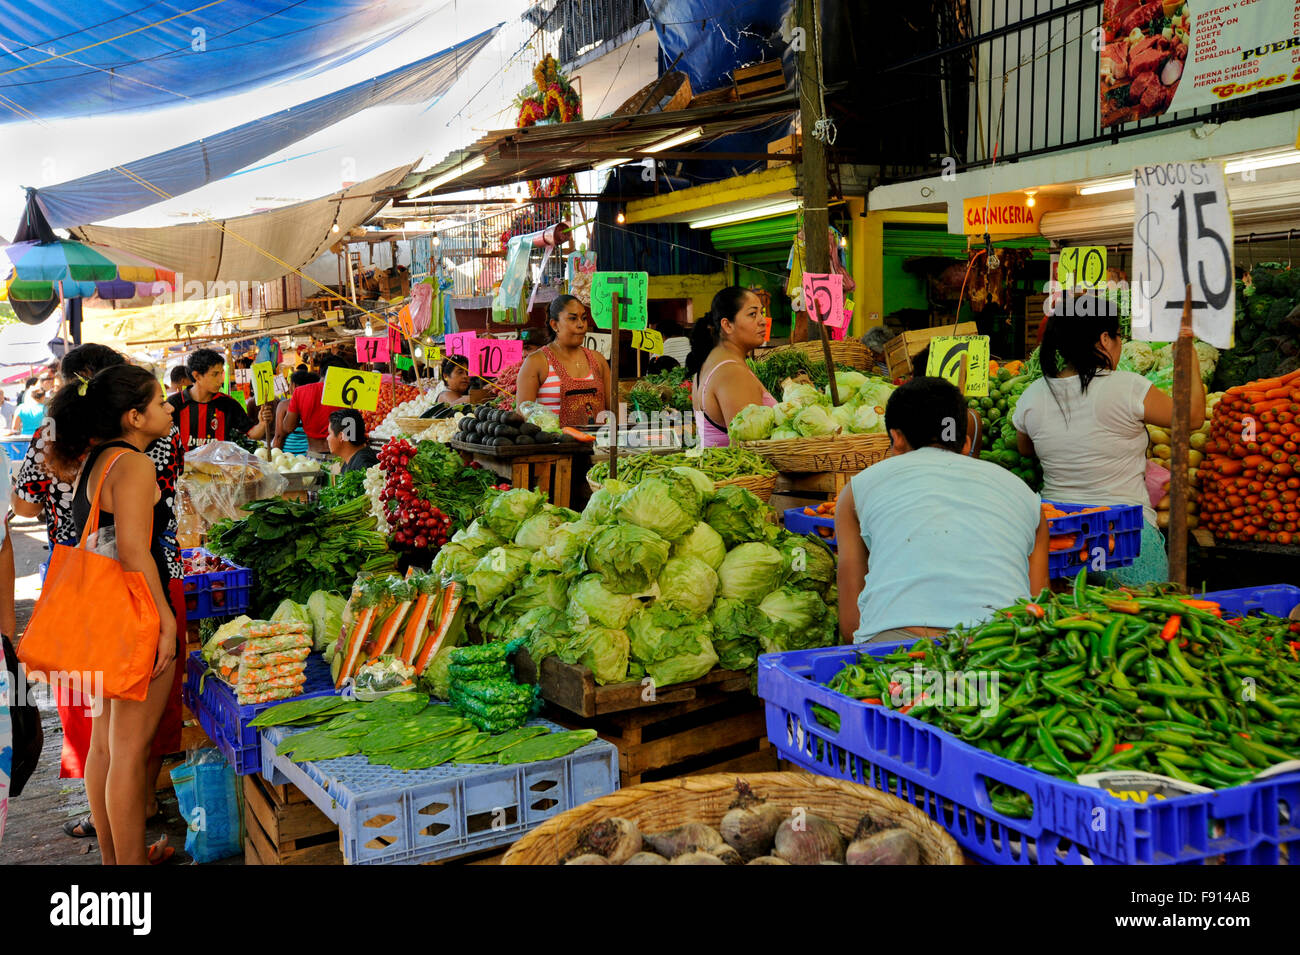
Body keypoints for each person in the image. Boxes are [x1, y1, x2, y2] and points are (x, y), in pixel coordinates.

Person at [12, 344, 186, 853]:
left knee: (106, 747)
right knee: (128, 755)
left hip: (105, 618)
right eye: (160, 403)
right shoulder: (132, 466)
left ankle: (116, 862)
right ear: (135, 417)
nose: (169, 409)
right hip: (134, 617)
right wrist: (167, 625)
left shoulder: (96, 461)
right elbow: (135, 552)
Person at [835, 377, 1049, 644]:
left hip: (893, 650)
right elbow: (1040, 614)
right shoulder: (1027, 497)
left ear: (897, 438)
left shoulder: (856, 490)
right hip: (1002, 648)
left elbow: (851, 625)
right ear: (967, 443)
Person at [1012, 290, 1205, 586]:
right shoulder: (1128, 387)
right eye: (1118, 336)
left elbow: (1025, 449)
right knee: (1143, 623)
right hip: (1124, 537)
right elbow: (1191, 418)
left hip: (1056, 538)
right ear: (1104, 340)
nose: (1120, 343)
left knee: (1061, 626)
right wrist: (1188, 357)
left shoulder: (1033, 394)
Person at [686, 287, 776, 448]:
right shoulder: (732, 373)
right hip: (745, 472)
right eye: (752, 314)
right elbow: (749, 449)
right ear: (727, 325)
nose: (763, 320)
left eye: (761, 313)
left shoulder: (711, 365)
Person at [516, 294, 610, 428]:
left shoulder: (598, 360)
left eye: (584, 318)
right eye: (572, 319)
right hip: (554, 447)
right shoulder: (536, 362)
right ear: (554, 324)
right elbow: (523, 419)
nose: (581, 325)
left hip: (599, 447)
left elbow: (615, 410)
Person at [170, 348, 271, 449]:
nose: (220, 380)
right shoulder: (174, 404)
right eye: (215, 374)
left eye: (221, 374)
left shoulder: (228, 404)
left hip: (219, 464)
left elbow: (253, 434)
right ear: (197, 376)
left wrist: (262, 424)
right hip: (183, 465)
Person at [276, 354, 343, 454]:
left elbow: (288, 427)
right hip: (339, 456)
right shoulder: (346, 394)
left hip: (313, 455)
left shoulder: (300, 392)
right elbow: (354, 432)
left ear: (320, 372)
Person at [276, 370, 316, 455]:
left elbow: (279, 436)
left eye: (289, 384)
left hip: (288, 456)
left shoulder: (284, 405)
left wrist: (274, 457)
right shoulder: (314, 404)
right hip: (310, 455)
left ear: (294, 385)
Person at [328, 409, 379, 473]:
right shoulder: (351, 460)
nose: (327, 438)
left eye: (329, 433)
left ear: (341, 436)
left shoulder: (363, 466)